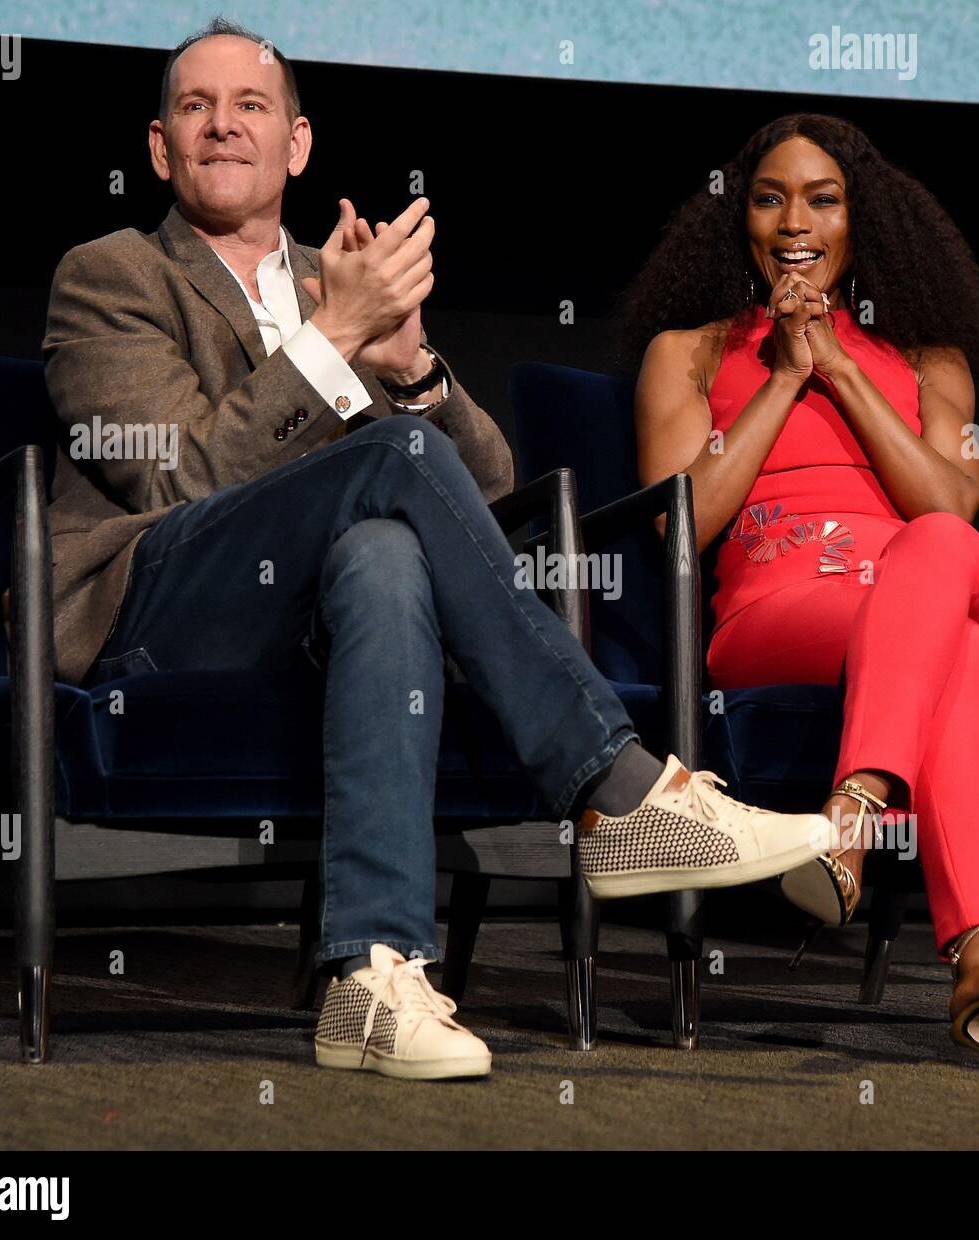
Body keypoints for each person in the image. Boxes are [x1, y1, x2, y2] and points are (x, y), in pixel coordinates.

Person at [41, 22, 837, 1081]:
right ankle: (618, 786)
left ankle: (371, 974)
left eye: (251, 106)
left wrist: (411, 364)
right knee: (391, 474)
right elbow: (182, 480)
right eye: (196, 106)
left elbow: (486, 501)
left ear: (297, 144)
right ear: (157, 146)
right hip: (164, 614)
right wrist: (334, 344)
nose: (223, 123)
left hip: (331, 630)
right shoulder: (110, 275)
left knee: (384, 550)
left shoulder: (345, 279)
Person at [627, 113, 979, 1069]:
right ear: (740, 221)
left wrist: (840, 366)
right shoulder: (691, 351)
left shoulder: (931, 362)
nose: (794, 221)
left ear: (859, 221)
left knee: (934, 547)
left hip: (929, 576)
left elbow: (950, 502)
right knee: (954, 652)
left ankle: (847, 825)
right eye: (769, 199)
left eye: (822, 199)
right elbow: (685, 523)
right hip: (776, 613)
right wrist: (782, 381)